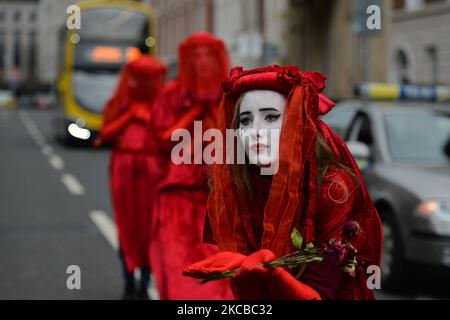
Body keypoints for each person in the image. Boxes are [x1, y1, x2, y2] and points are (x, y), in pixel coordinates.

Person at [183, 65, 383, 300]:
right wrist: (242, 269)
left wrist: (269, 272)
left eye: (271, 117)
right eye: (245, 121)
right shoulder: (240, 184)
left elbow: (320, 295)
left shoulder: (333, 189)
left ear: (297, 120)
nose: (255, 131)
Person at [149, 32, 233, 300]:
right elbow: (162, 140)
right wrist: (195, 111)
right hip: (178, 197)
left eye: (208, 54)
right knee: (180, 269)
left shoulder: (231, 95)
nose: (202, 62)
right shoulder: (171, 96)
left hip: (221, 198)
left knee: (223, 271)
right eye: (196, 55)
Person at [94, 55, 166, 299]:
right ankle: (128, 280)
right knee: (126, 225)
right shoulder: (120, 104)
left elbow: (167, 137)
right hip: (124, 168)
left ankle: (144, 283)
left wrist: (143, 117)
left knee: (149, 227)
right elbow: (105, 133)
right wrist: (130, 116)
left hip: (151, 169)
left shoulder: (162, 105)